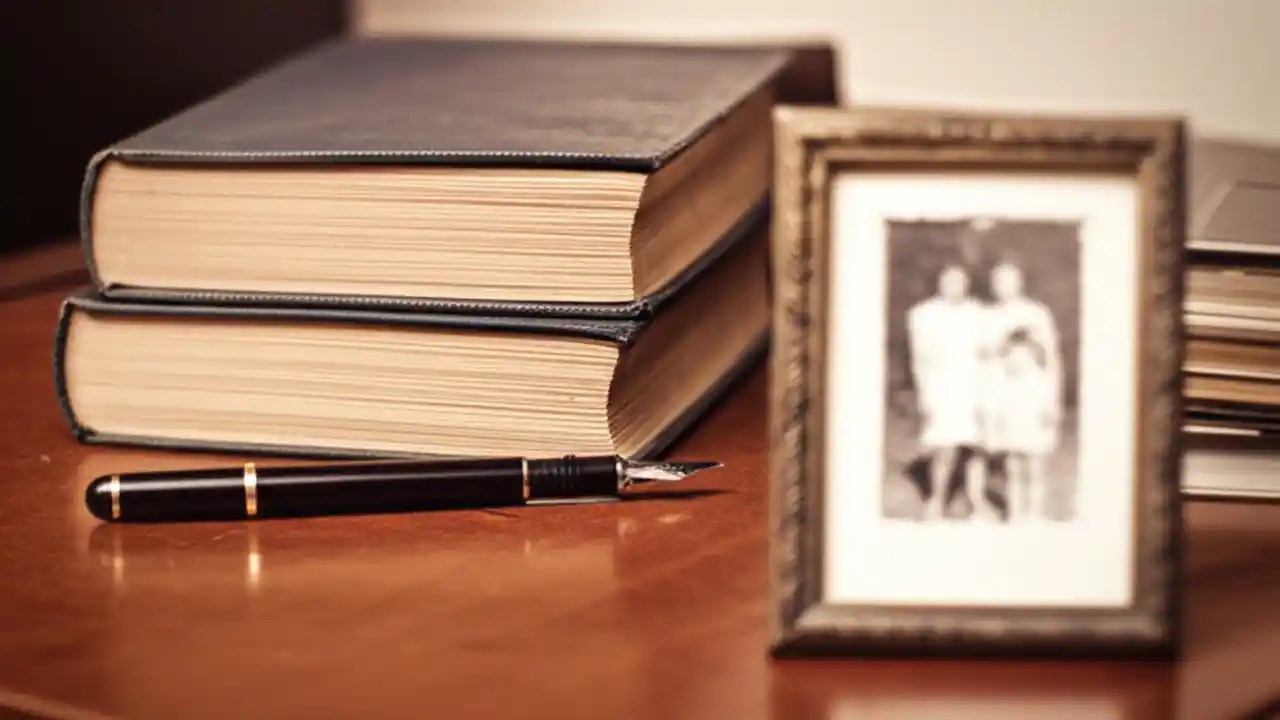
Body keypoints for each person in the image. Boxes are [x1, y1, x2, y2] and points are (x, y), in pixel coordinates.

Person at [906, 264, 988, 520]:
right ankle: (936, 501)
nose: (955, 286)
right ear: (940, 284)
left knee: (976, 446)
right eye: (949, 281)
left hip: (973, 385)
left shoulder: (977, 312)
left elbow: (987, 352)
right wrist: (924, 394)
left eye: (959, 281)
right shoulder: (925, 314)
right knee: (944, 447)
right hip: (942, 387)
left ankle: (977, 501)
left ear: (967, 284)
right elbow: (920, 359)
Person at [982, 262, 1062, 520]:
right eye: (998, 282)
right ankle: (1016, 515)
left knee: (1035, 457)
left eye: (1009, 281)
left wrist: (1053, 401)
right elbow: (985, 357)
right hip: (1006, 392)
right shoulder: (990, 316)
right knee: (1012, 459)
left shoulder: (1037, 313)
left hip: (1034, 390)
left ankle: (1035, 514)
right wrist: (1003, 343)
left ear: (1019, 282)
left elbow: (1051, 358)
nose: (1004, 287)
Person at [986, 330, 1058, 521]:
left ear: (1032, 355)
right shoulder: (1004, 381)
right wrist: (996, 423)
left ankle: (1035, 512)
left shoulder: (1040, 379)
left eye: (1022, 355)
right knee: (1013, 470)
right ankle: (1016, 512)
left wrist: (1049, 413)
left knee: (1035, 471)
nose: (1016, 361)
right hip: (1013, 430)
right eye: (1011, 355)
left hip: (1034, 428)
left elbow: (1049, 403)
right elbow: (997, 406)